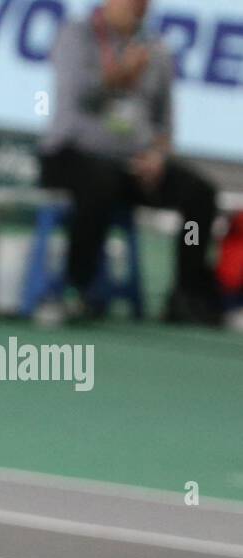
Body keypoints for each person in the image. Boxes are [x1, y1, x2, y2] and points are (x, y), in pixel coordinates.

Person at [38, 0, 223, 326]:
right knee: (99, 185)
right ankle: (76, 288)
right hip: (72, 155)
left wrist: (156, 155)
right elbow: (79, 96)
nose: (139, 6)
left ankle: (186, 291)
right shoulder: (75, 36)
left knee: (199, 195)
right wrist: (121, 74)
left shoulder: (157, 50)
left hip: (134, 164)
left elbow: (164, 123)